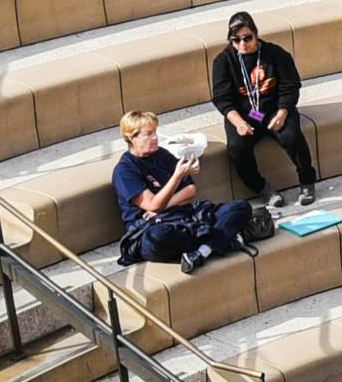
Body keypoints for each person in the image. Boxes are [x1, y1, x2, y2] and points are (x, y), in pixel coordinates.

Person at [109, 110, 261, 271]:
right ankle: (221, 239)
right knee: (156, 238)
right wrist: (177, 176)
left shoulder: (161, 154)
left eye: (155, 132)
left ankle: (203, 251)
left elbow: (190, 189)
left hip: (184, 216)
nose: (155, 138)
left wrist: (165, 205)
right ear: (131, 138)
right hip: (153, 228)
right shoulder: (124, 170)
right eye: (148, 134)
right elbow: (153, 205)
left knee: (240, 207)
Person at [209, 10, 316, 198]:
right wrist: (238, 122)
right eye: (235, 40)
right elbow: (222, 98)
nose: (242, 44)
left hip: (275, 109)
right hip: (245, 114)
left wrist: (282, 113)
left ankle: (307, 181)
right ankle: (262, 188)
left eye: (247, 38)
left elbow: (290, 87)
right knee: (236, 147)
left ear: (256, 34)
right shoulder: (223, 61)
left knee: (292, 136)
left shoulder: (275, 54)